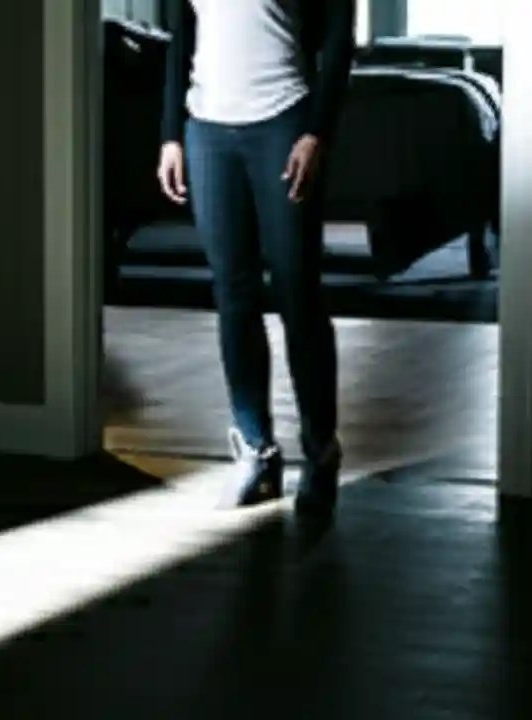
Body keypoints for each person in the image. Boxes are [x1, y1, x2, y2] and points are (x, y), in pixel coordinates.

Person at [156, 0, 356, 516]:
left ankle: (320, 453)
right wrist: (171, 135)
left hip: (283, 123)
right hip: (207, 131)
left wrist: (319, 132)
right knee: (233, 296)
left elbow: (338, 35)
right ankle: (257, 452)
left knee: (298, 293)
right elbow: (182, 36)